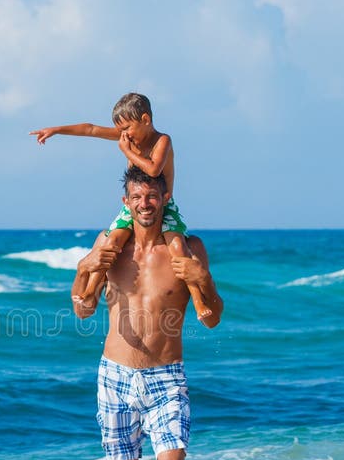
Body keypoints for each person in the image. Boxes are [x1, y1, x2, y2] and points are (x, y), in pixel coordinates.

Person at [71, 166, 223, 460]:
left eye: (152, 196)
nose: (144, 204)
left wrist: (203, 280)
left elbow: (211, 318)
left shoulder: (187, 250)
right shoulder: (110, 248)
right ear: (126, 202)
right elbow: (82, 308)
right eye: (136, 197)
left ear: (165, 198)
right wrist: (84, 267)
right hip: (114, 377)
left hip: (166, 378)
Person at [31, 92, 211, 320]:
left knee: (179, 249)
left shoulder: (162, 140)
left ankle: (198, 301)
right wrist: (56, 130)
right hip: (134, 206)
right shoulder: (127, 136)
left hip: (163, 205)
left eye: (127, 128)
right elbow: (91, 129)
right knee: (111, 242)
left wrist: (126, 151)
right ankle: (89, 292)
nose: (123, 135)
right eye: (121, 130)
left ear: (145, 120)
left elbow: (154, 170)